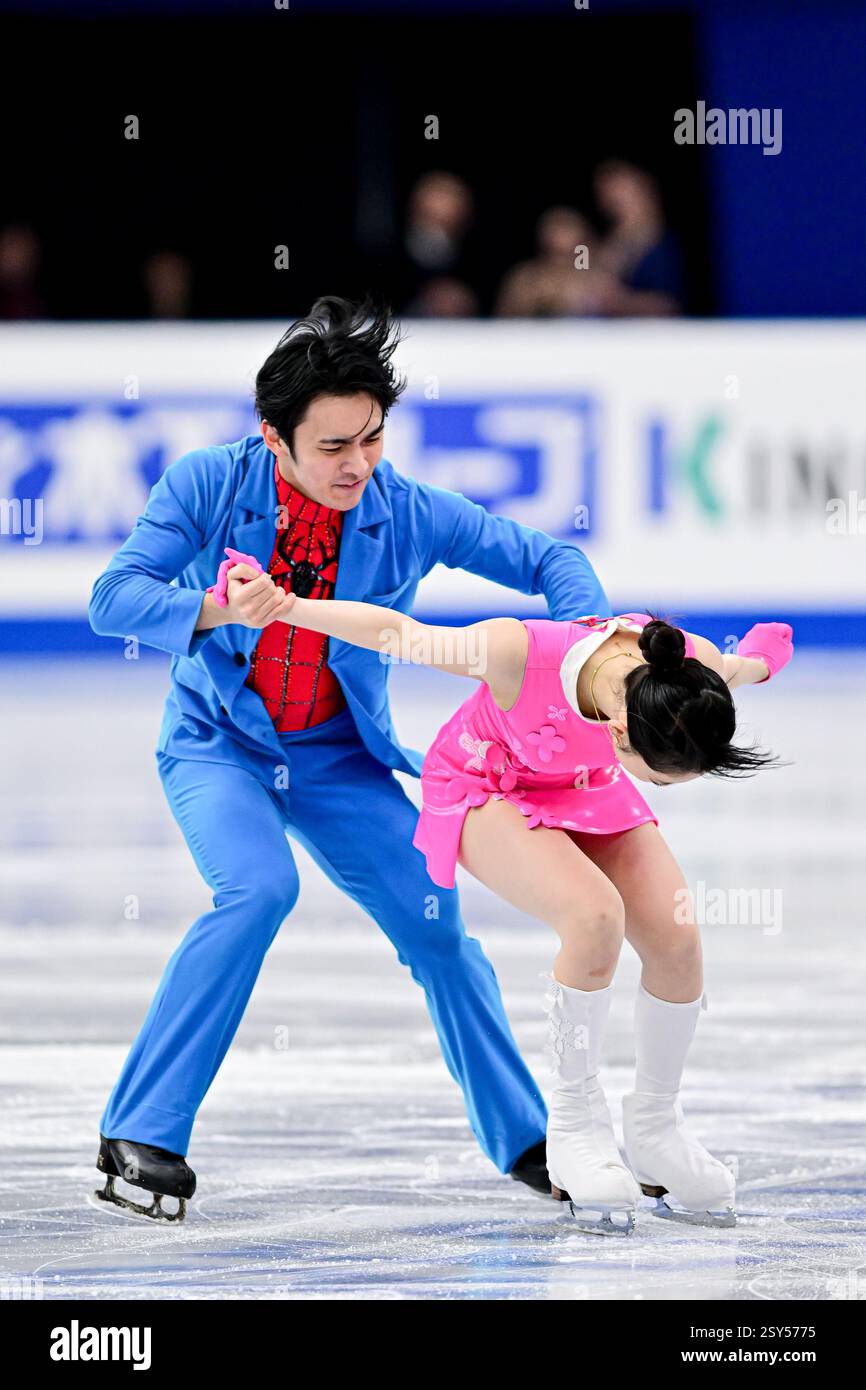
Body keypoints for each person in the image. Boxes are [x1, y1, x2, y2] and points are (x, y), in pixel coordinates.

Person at [88, 294, 609, 1221]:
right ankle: (142, 1129)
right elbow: (112, 598)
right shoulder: (207, 483)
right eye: (333, 447)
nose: (358, 465)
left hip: (338, 756)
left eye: (371, 439)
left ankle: (527, 1136)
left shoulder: (405, 511)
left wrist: (588, 651)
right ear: (273, 437)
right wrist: (213, 610)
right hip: (221, 747)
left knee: (437, 922)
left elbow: (548, 559)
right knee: (258, 890)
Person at [256, 592, 793, 1234]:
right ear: (619, 733)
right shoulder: (518, 655)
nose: (661, 790)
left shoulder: (685, 675)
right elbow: (401, 633)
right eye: (658, 779)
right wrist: (281, 607)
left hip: (583, 786)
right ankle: (574, 1127)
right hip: (486, 783)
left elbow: (741, 668)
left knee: (677, 937)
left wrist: (760, 659)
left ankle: (655, 1128)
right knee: (594, 917)